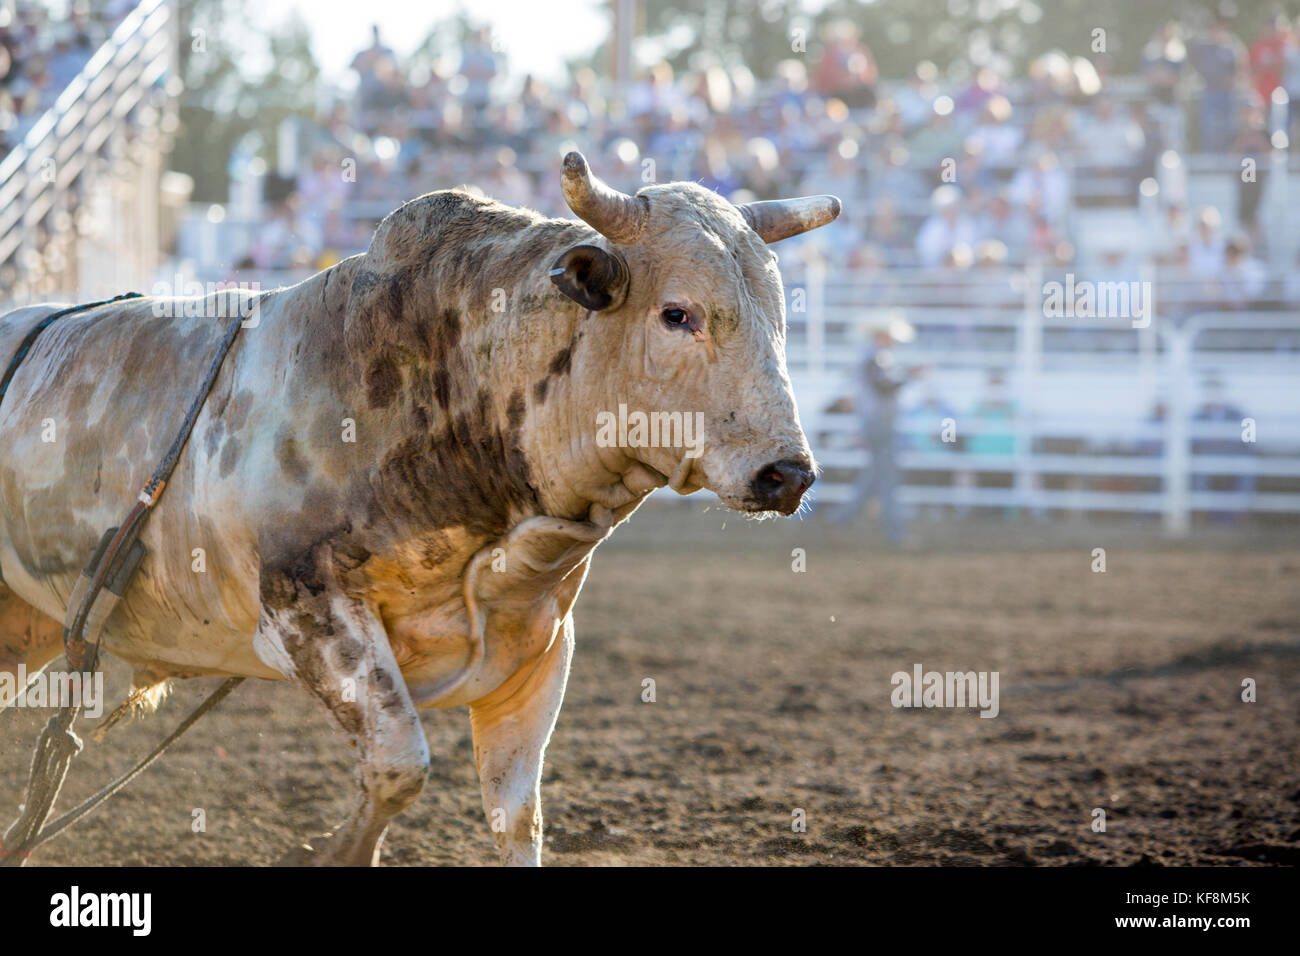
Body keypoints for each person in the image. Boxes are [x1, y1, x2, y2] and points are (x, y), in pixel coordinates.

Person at [834, 320, 920, 545]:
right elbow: (885, 387)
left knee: (875, 477)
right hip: (880, 425)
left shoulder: (875, 358)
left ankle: (841, 520)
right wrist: (910, 375)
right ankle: (896, 532)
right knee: (887, 478)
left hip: (877, 425)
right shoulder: (874, 359)